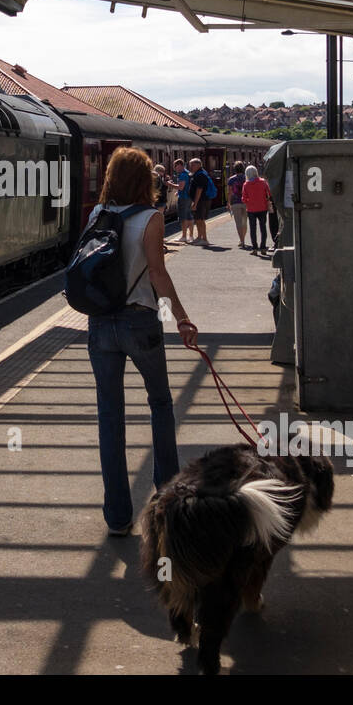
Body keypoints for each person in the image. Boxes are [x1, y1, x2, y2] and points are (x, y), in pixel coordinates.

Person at [86, 147, 199, 537]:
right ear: (143, 179)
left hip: (100, 325)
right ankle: (166, 498)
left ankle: (118, 516)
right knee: (161, 403)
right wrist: (181, 319)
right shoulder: (151, 218)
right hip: (139, 322)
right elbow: (158, 275)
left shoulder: (96, 215)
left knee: (109, 416)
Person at [242, 164, 272, 254]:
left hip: (251, 210)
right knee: (263, 228)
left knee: (253, 229)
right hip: (263, 208)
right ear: (256, 172)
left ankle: (254, 248)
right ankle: (263, 247)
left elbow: (243, 198)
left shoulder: (246, 184)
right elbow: (269, 194)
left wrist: (249, 202)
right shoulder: (263, 182)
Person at [187, 157, 212, 245]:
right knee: (197, 219)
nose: (191, 167)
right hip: (200, 200)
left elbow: (199, 190)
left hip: (201, 200)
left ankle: (204, 239)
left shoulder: (200, 175)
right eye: (190, 165)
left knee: (200, 219)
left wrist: (195, 203)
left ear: (198, 165)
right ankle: (199, 237)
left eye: (192, 165)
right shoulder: (198, 173)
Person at [227, 160, 248, 249]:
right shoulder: (247, 178)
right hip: (246, 202)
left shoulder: (231, 179)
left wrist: (228, 203)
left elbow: (230, 192)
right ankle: (243, 239)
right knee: (244, 222)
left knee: (238, 222)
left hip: (235, 202)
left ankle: (242, 241)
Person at [172, 159, 194, 243]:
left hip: (184, 198)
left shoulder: (183, 174)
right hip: (189, 197)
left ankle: (184, 236)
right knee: (189, 216)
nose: (175, 168)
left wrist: (170, 184)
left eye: (175, 166)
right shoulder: (188, 172)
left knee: (183, 217)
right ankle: (191, 236)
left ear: (180, 165)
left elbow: (181, 187)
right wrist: (179, 191)